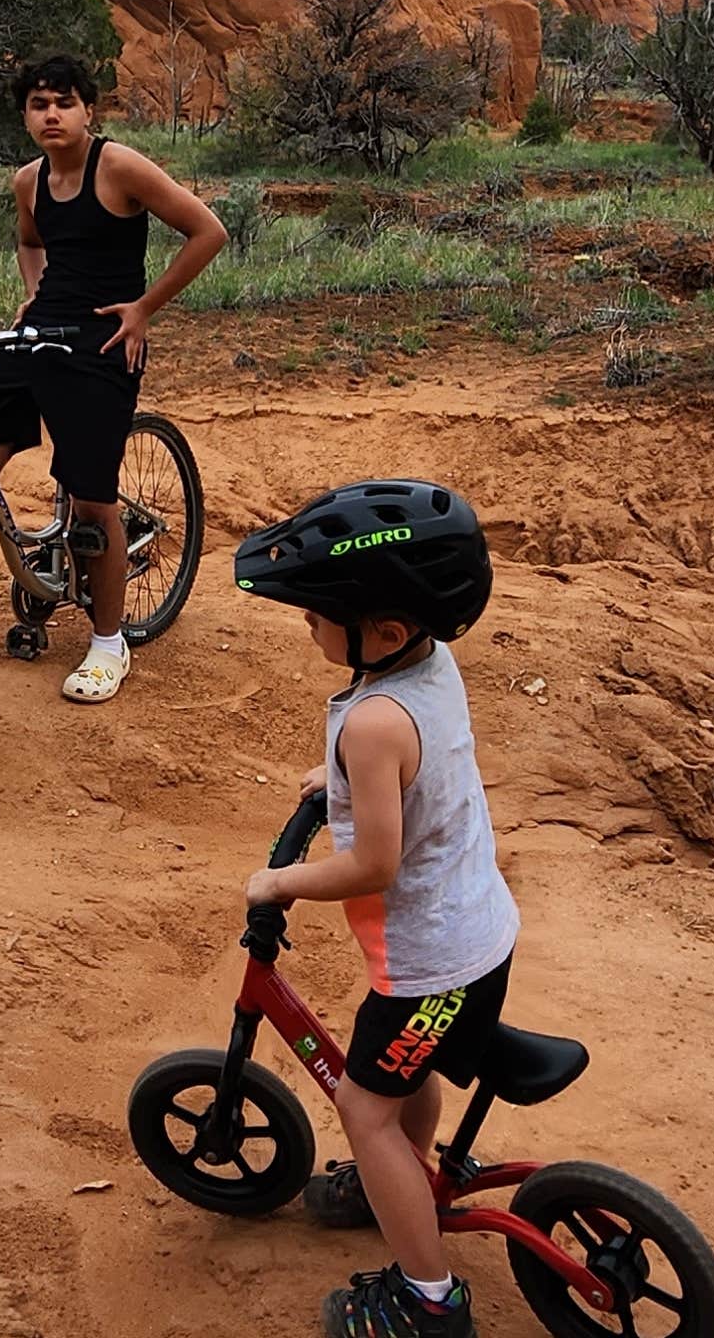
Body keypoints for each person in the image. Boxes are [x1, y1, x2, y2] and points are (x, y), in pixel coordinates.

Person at [234, 480, 517, 1338]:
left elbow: (375, 865)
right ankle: (405, 1171)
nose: (307, 624)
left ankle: (429, 1301)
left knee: (363, 1109)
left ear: (385, 630)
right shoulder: (424, 668)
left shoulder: (371, 725)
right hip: (480, 939)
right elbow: (419, 763)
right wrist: (347, 782)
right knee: (398, 1085)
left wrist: (280, 882)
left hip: (430, 963)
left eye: (319, 612)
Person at [0, 51, 224, 702]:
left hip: (103, 338)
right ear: (25, 116)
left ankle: (109, 642)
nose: (52, 115)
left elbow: (207, 232)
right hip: (36, 333)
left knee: (91, 498)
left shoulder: (120, 166)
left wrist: (143, 309)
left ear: (88, 110)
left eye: (64, 102)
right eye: (39, 104)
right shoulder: (28, 182)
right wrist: (31, 292)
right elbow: (29, 241)